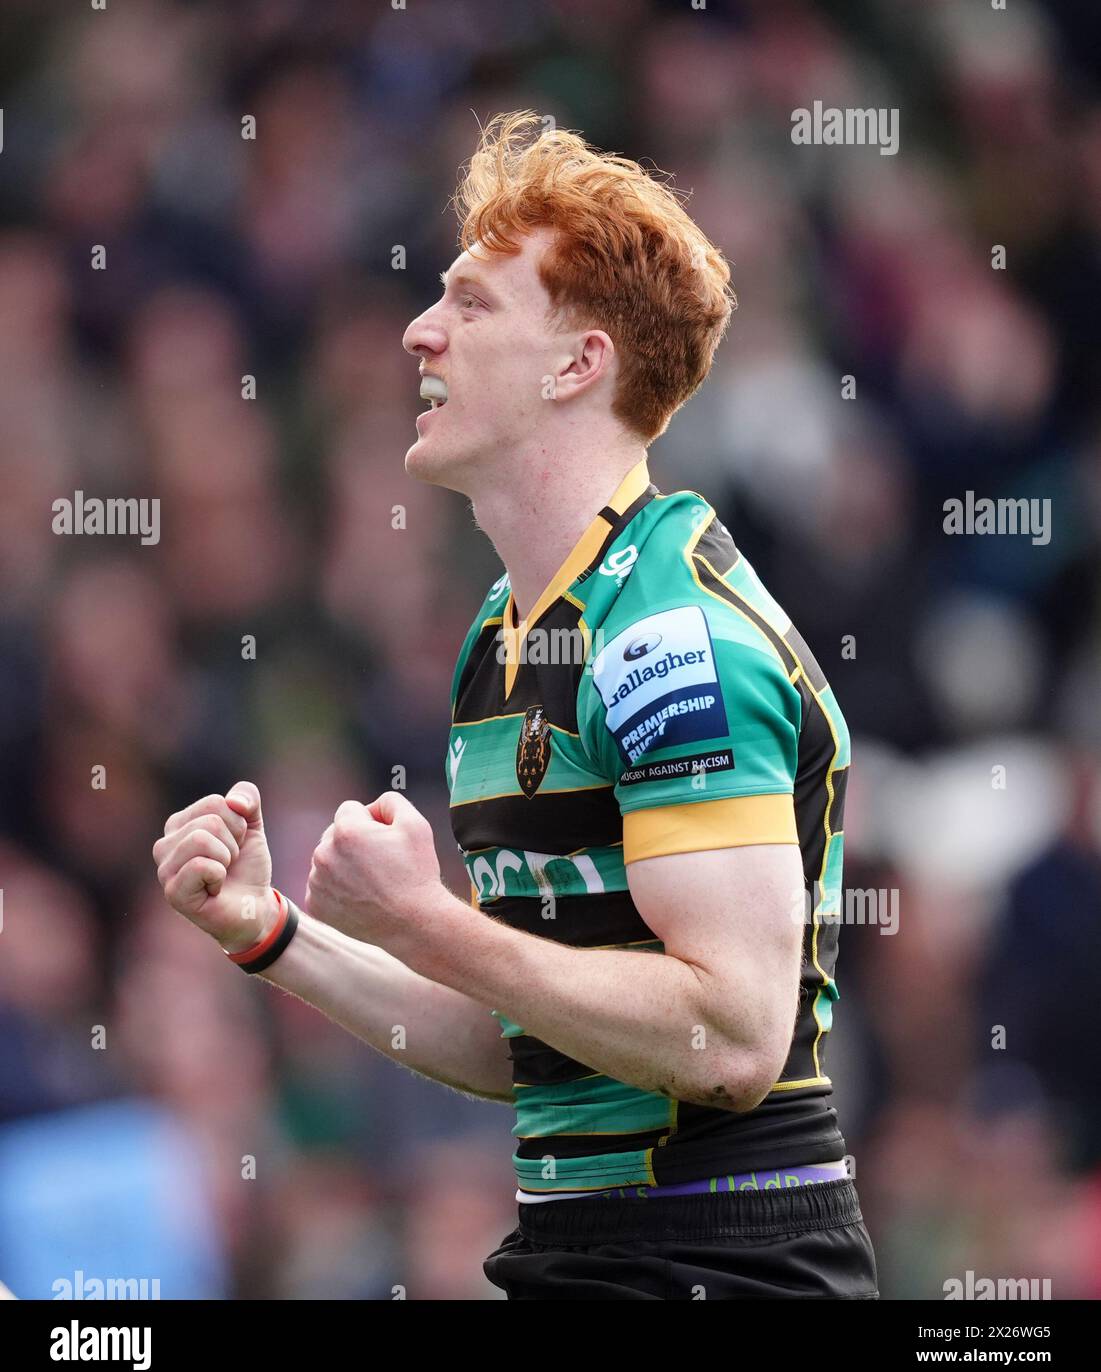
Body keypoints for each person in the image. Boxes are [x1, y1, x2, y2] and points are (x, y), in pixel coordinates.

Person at [153, 112, 878, 1300]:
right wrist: (272, 933)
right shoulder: (507, 635)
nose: (419, 330)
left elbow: (735, 1042)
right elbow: (527, 1041)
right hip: (585, 1249)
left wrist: (426, 922)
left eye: (473, 303)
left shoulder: (665, 639)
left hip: (721, 1256)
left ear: (576, 363)